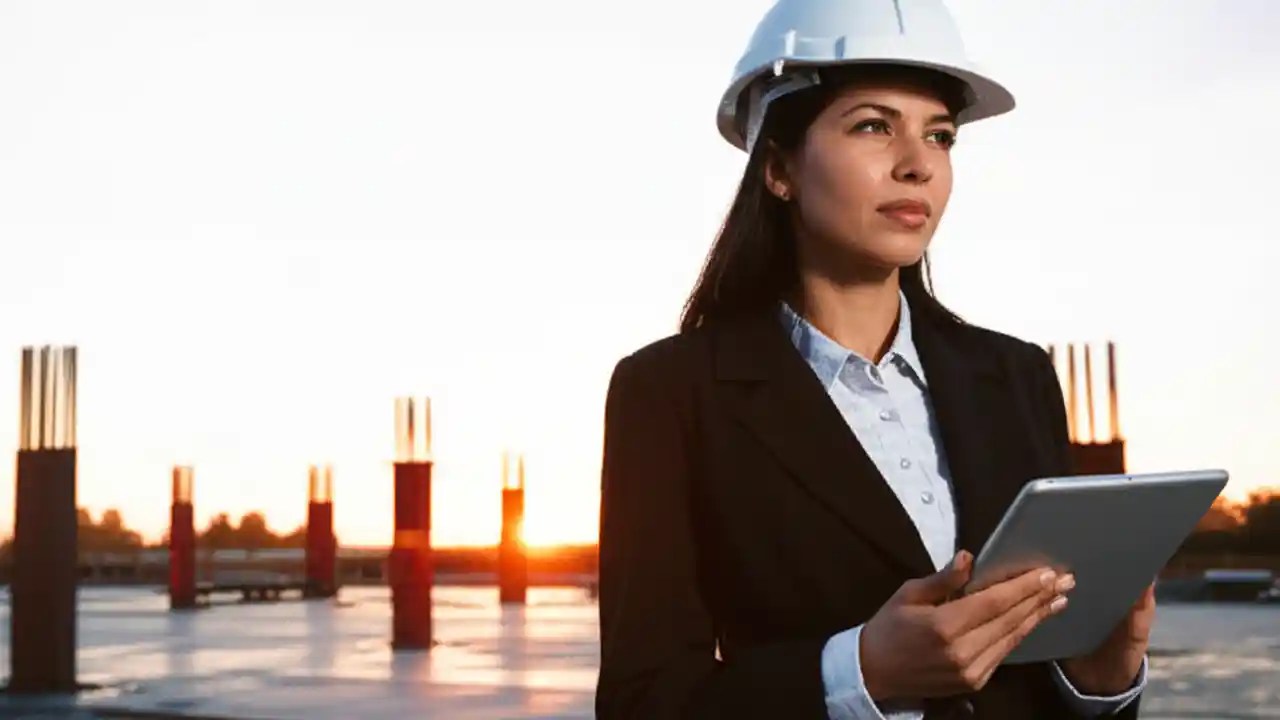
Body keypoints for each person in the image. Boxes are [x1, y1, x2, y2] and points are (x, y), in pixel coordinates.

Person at [594, 0, 1154, 719]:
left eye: (941, 136)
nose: (918, 165)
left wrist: (1100, 683)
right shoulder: (671, 392)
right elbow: (644, 703)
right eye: (872, 125)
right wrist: (856, 673)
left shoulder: (1017, 377)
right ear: (778, 169)